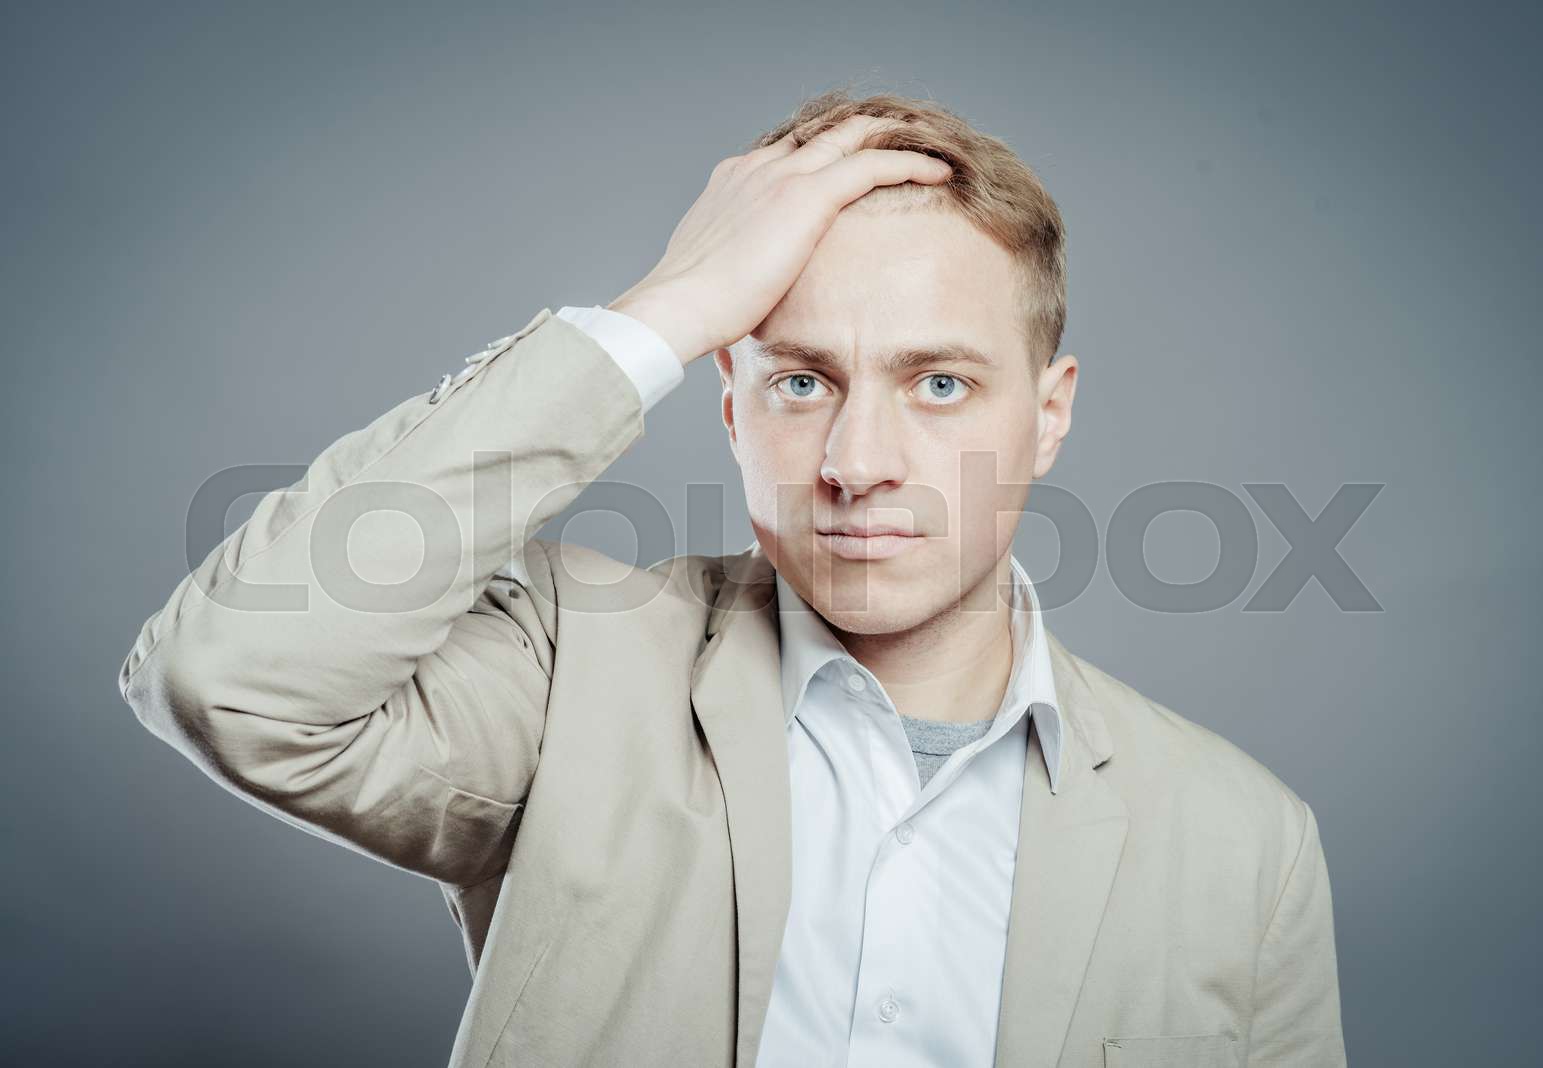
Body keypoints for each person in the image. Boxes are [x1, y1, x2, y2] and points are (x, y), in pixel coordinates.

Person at [117, 89, 1347, 1067]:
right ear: (728, 407)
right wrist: (664, 310)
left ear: (1048, 414)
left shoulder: (1246, 844)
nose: (857, 463)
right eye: (799, 382)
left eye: (939, 384)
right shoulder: (567, 673)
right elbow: (227, 677)